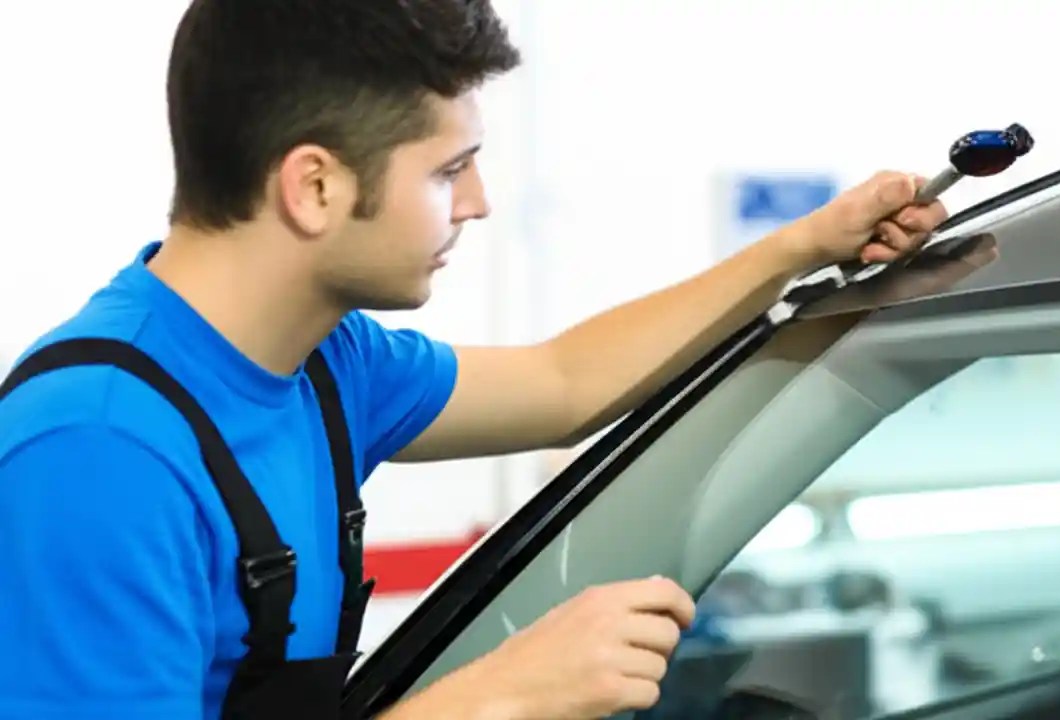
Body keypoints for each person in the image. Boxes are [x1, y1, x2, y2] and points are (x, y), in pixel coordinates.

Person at [0, 1, 948, 718]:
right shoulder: (98, 457)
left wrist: (805, 245)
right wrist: (498, 696)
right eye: (449, 170)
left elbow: (563, 382)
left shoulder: (331, 367)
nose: (480, 202)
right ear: (315, 185)